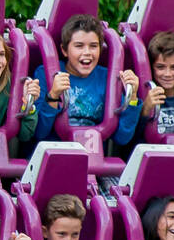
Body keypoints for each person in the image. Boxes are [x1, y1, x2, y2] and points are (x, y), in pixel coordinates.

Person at [33, 13, 141, 149]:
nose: (87, 52)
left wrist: (132, 97)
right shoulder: (46, 73)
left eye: (93, 46)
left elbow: (122, 137)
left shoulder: (108, 77)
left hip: (93, 156)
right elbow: (39, 132)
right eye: (79, 46)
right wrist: (53, 96)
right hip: (54, 152)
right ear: (64, 50)